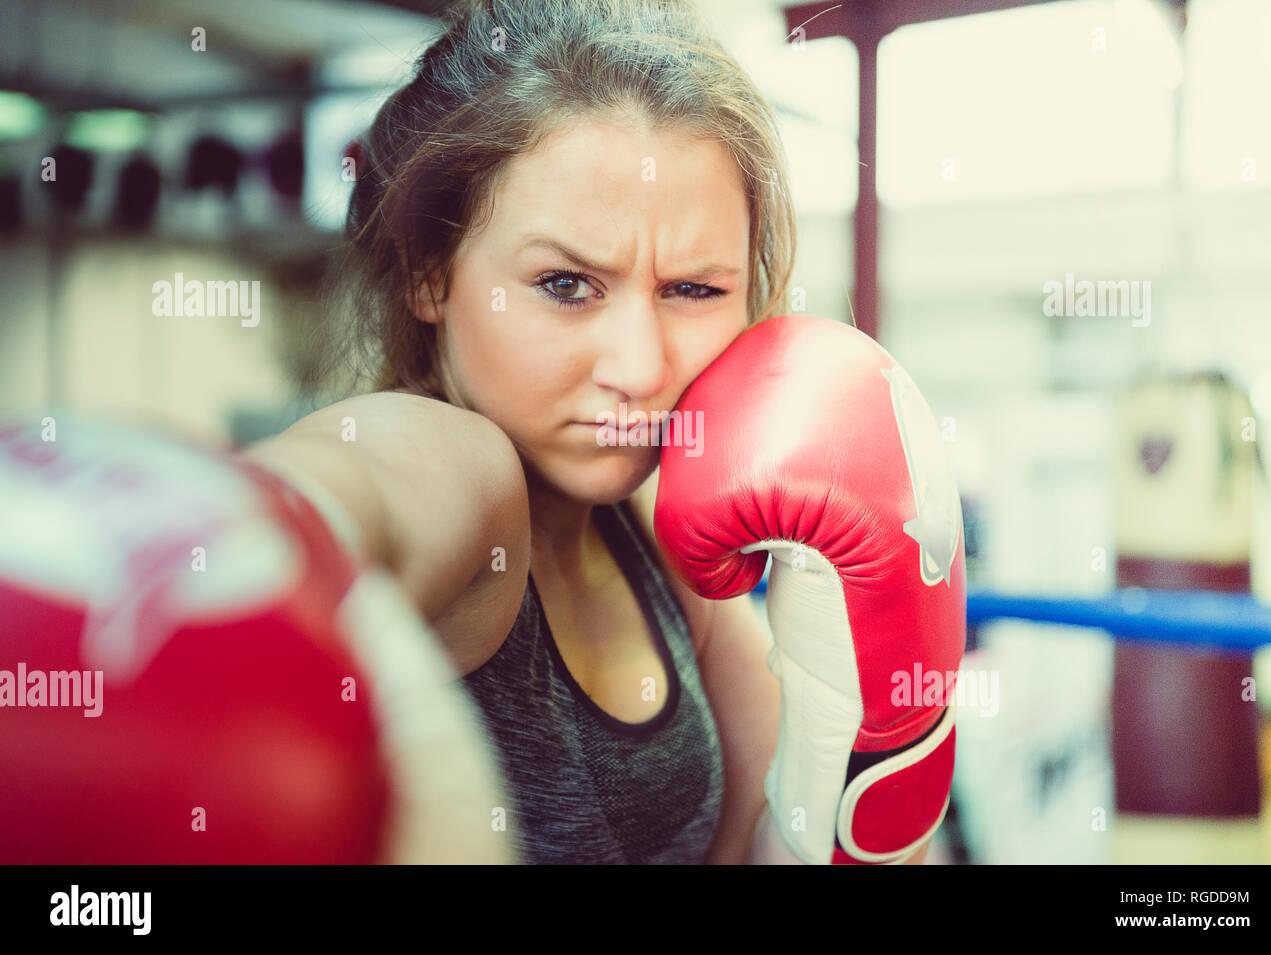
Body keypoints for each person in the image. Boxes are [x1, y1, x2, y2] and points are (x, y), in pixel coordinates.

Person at [244, 0, 939, 864]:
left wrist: (893, 751)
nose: (642, 368)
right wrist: (201, 544)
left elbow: (755, 851)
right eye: (567, 284)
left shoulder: (661, 540)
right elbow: (307, 510)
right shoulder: (462, 470)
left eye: (693, 289)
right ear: (430, 273)